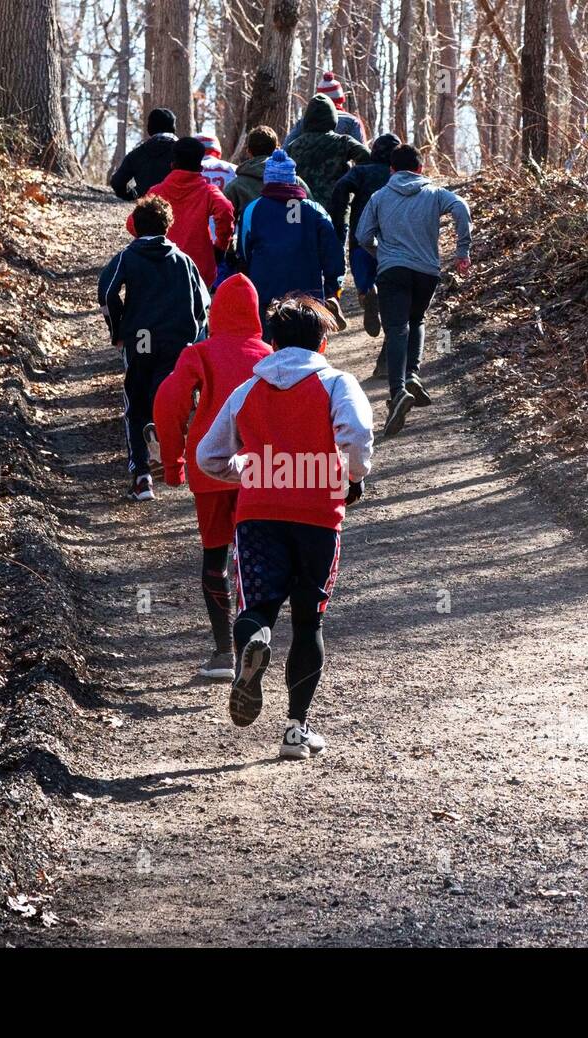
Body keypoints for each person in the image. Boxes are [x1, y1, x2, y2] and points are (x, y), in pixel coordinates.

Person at [196, 295, 373, 760]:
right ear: (325, 341)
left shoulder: (246, 391)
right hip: (318, 516)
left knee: (258, 606)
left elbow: (208, 456)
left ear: (271, 343)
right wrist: (350, 476)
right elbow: (356, 434)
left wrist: (253, 468)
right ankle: (296, 731)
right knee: (309, 618)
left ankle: (252, 642)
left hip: (257, 515)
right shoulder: (337, 382)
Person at [152, 274, 272, 680]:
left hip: (211, 467)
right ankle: (253, 638)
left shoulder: (198, 353)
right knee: (256, 558)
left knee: (215, 557)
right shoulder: (271, 355)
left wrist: (173, 463)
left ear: (215, 311)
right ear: (256, 312)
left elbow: (168, 402)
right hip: (259, 469)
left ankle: (224, 652)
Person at [355, 143, 471, 438]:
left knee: (396, 329)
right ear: (421, 169)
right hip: (426, 272)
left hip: (392, 271)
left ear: (391, 170)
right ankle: (412, 376)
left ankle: (397, 394)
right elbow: (461, 207)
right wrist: (462, 250)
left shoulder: (380, 197)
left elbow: (362, 235)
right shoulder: (434, 193)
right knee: (417, 320)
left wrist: (380, 253)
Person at [99, 196, 210, 501]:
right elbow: (203, 305)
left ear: (134, 226)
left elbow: (107, 292)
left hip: (141, 339)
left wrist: (117, 330)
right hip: (177, 342)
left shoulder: (128, 256)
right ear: (168, 226)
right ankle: (163, 435)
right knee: (168, 397)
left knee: (135, 402)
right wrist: (195, 338)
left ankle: (141, 478)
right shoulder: (184, 259)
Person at [234, 149, 346, 331]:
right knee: (308, 344)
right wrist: (333, 288)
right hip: (308, 296)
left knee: (271, 346)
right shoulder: (315, 210)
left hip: (266, 294)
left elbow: (245, 254)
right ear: (293, 179)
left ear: (267, 179)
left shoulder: (252, 210)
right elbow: (333, 253)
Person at [128, 136, 234, 287]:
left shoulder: (156, 192)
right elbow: (225, 211)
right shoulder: (209, 192)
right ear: (200, 166)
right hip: (199, 270)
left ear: (173, 163)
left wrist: (149, 242)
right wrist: (220, 247)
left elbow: (132, 223)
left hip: (160, 267)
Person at [330, 132, 399, 346]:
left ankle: (366, 292)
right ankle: (383, 301)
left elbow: (341, 187)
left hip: (362, 234)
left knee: (362, 268)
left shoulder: (361, 171)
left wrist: (339, 216)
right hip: (392, 238)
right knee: (388, 275)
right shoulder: (398, 176)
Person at [285, 94, 370, 214]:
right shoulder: (343, 142)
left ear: (308, 119)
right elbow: (369, 158)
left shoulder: (294, 146)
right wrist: (351, 181)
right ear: (332, 117)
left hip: (301, 211)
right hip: (336, 210)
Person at [224, 125, 312, 215]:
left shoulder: (235, 187)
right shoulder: (296, 182)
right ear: (276, 149)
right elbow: (312, 214)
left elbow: (224, 221)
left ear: (248, 151)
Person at [110, 108, 178, 200]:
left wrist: (133, 195)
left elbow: (117, 182)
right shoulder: (185, 152)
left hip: (147, 209)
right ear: (173, 127)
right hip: (181, 209)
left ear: (150, 128)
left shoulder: (137, 154)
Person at [283, 72, 368, 146]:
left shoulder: (304, 121)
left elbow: (286, 148)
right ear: (341, 99)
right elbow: (365, 157)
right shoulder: (352, 122)